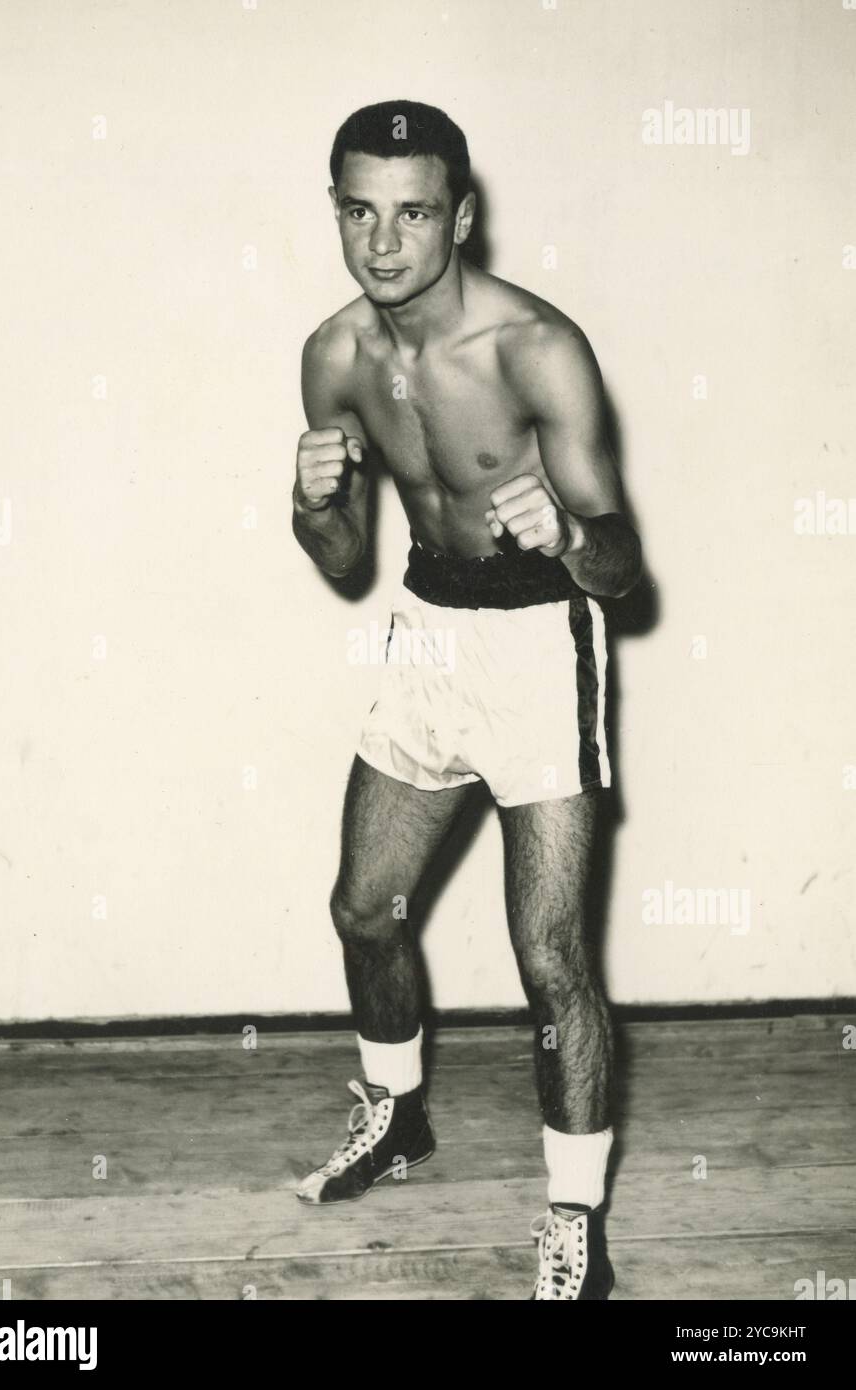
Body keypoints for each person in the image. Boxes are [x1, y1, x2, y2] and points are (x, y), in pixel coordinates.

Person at [291, 100, 642, 1301]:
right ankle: (396, 1115)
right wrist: (312, 503)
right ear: (336, 209)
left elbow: (622, 571)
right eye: (359, 211)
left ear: (461, 215)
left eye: (414, 213)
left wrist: (572, 535)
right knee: (363, 908)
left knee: (550, 956)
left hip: (542, 641)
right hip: (425, 635)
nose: (384, 243)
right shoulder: (334, 354)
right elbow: (343, 561)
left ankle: (576, 1221)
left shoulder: (535, 348)